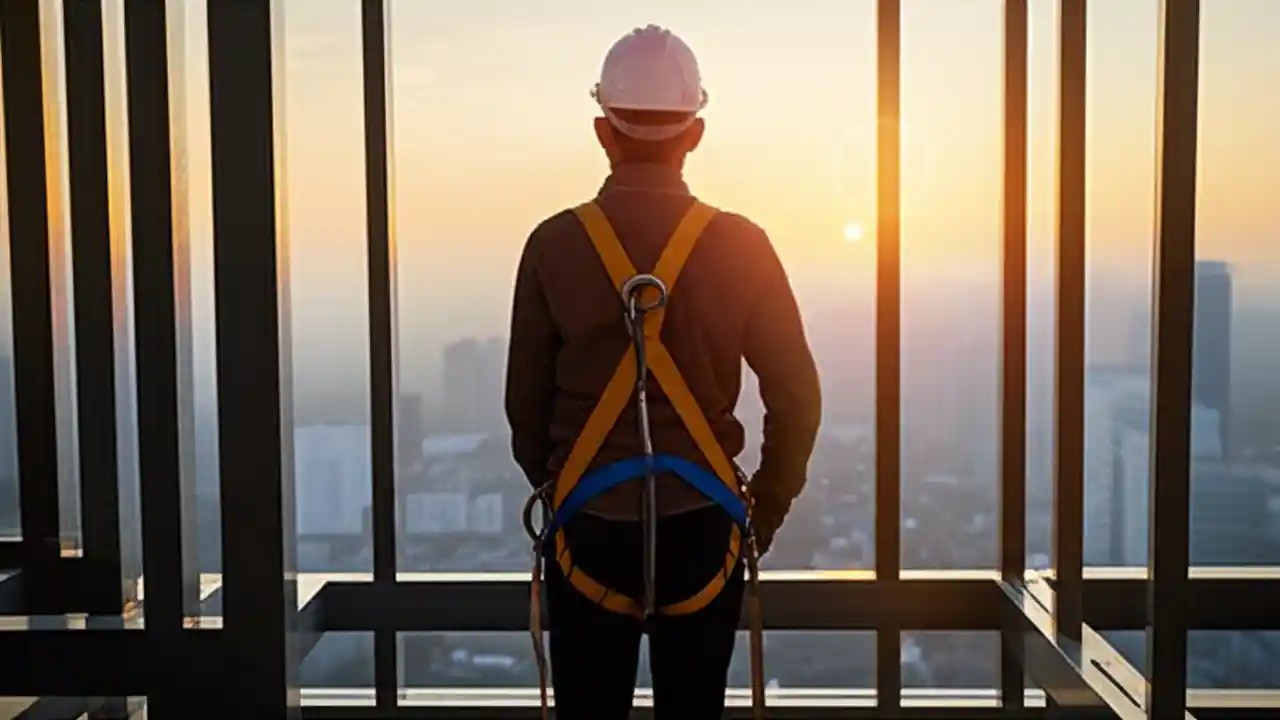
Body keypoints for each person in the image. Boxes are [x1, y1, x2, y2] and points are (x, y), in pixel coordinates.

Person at [505, 25, 821, 720]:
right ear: (696, 133)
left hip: (590, 525)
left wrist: (560, 488)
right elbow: (797, 397)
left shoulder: (554, 244)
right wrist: (762, 512)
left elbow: (524, 411)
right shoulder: (743, 245)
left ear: (602, 130)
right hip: (702, 527)